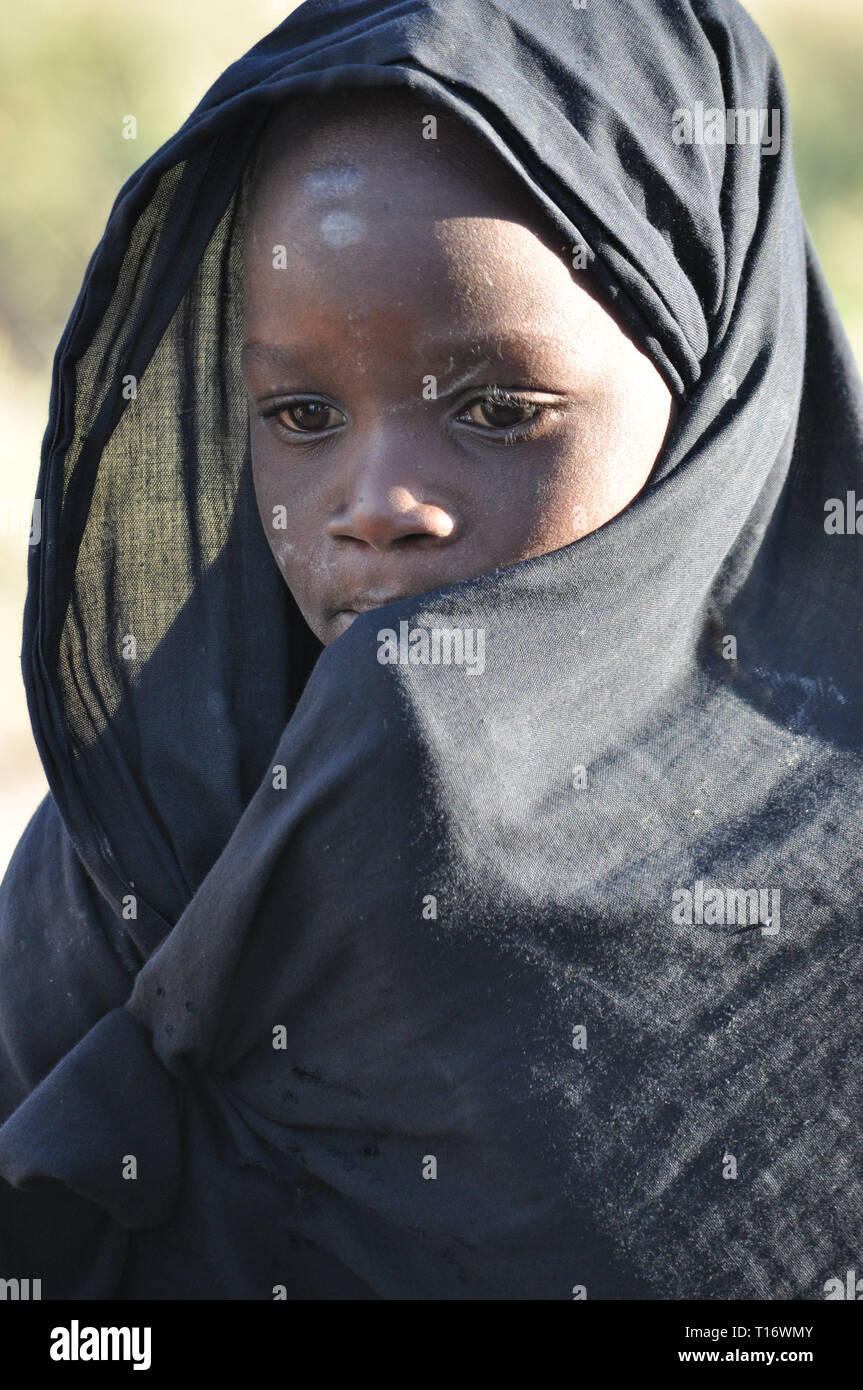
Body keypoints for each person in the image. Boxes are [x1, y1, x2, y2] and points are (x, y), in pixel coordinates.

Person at [0, 0, 860, 1300]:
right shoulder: (129, 849)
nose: (375, 500)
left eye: (498, 408)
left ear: (711, 408)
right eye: (299, 412)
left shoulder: (817, 929)